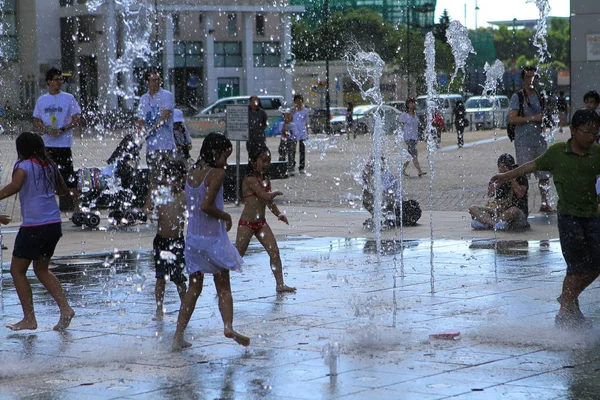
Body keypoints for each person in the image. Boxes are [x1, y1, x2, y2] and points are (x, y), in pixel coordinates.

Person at [491, 108, 600, 329]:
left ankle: (567, 299)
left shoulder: (597, 153)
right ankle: (566, 312)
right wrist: (505, 176)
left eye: (595, 132)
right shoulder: (558, 152)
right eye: (586, 132)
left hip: (592, 216)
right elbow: (531, 166)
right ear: (572, 130)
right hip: (569, 217)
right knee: (576, 266)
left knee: (596, 263)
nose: (591, 137)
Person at [172, 133, 249, 351]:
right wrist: (226, 216)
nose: (226, 162)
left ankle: (178, 336)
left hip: (193, 240)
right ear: (214, 153)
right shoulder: (217, 173)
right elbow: (207, 206)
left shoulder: (191, 173)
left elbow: (193, 205)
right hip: (213, 239)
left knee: (194, 287)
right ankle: (228, 326)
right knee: (223, 286)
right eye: (225, 156)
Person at [0, 132, 75, 331]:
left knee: (17, 271)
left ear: (20, 150)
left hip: (34, 226)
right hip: (53, 225)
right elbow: (62, 190)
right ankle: (66, 309)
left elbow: (15, 186)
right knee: (41, 269)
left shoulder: (23, 166)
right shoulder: (49, 165)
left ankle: (29, 319)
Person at [235, 146, 296, 293]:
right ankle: (221, 284)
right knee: (237, 257)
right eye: (263, 161)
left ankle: (280, 284)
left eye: (268, 161)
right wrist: (275, 192)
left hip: (261, 224)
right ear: (254, 162)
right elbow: (265, 196)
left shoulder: (266, 180)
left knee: (274, 252)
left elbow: (269, 202)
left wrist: (279, 214)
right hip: (247, 224)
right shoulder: (249, 180)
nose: (266, 164)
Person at [144, 159, 188, 322]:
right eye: (171, 179)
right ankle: (159, 308)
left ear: (182, 179)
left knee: (178, 277)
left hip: (177, 242)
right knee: (160, 277)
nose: (174, 184)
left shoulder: (184, 196)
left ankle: (185, 306)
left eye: (177, 180)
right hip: (161, 241)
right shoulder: (160, 195)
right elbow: (149, 209)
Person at [33, 67, 82, 211]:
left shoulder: (68, 98)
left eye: (60, 79)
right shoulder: (42, 100)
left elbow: (77, 119)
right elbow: (36, 120)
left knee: (69, 177)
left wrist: (62, 129)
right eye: (56, 79)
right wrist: (46, 129)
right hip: (47, 144)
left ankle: (77, 208)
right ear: (49, 82)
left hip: (63, 144)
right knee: (46, 177)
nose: (59, 82)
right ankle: (45, 208)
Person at [508, 66, 554, 213]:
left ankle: (545, 203)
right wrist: (533, 118)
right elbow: (512, 118)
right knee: (523, 175)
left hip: (539, 141)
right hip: (523, 142)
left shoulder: (540, 96)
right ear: (522, 80)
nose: (531, 80)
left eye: (534, 77)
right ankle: (522, 205)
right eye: (528, 77)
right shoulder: (518, 97)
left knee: (544, 174)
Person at [468, 153, 529, 231]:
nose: (501, 169)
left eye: (504, 167)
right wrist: (497, 183)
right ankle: (494, 224)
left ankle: (488, 223)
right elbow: (490, 194)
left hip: (516, 215)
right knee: (472, 208)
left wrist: (511, 176)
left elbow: (520, 193)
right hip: (498, 212)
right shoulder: (498, 178)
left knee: (513, 211)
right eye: (499, 167)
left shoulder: (520, 176)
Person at [136, 70, 176, 188]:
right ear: (147, 82)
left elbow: (165, 116)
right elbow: (141, 120)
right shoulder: (144, 98)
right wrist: (138, 134)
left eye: (158, 79)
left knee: (168, 176)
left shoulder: (166, 95)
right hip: (152, 146)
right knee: (154, 177)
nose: (157, 82)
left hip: (165, 145)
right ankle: (154, 203)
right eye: (153, 80)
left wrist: (151, 129)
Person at [362, 157, 421, 227]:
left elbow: (385, 194)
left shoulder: (386, 175)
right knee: (366, 195)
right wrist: (367, 180)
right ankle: (375, 218)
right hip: (392, 204)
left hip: (399, 206)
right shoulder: (374, 177)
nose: (368, 166)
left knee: (385, 197)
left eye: (371, 164)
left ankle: (391, 219)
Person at [400, 98, 426, 177]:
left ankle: (402, 170)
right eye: (411, 103)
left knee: (409, 155)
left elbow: (417, 126)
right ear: (408, 105)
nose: (413, 104)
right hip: (409, 138)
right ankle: (419, 171)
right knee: (414, 154)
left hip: (414, 137)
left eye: (413, 103)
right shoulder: (405, 115)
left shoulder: (415, 115)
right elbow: (399, 124)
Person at [291, 94, 309, 174]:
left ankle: (301, 166)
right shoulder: (292, 110)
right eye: (296, 100)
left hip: (302, 131)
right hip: (294, 131)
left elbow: (306, 122)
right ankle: (291, 166)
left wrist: (307, 132)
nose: (298, 102)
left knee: (302, 150)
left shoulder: (305, 111)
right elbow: (289, 119)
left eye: (299, 100)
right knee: (293, 150)